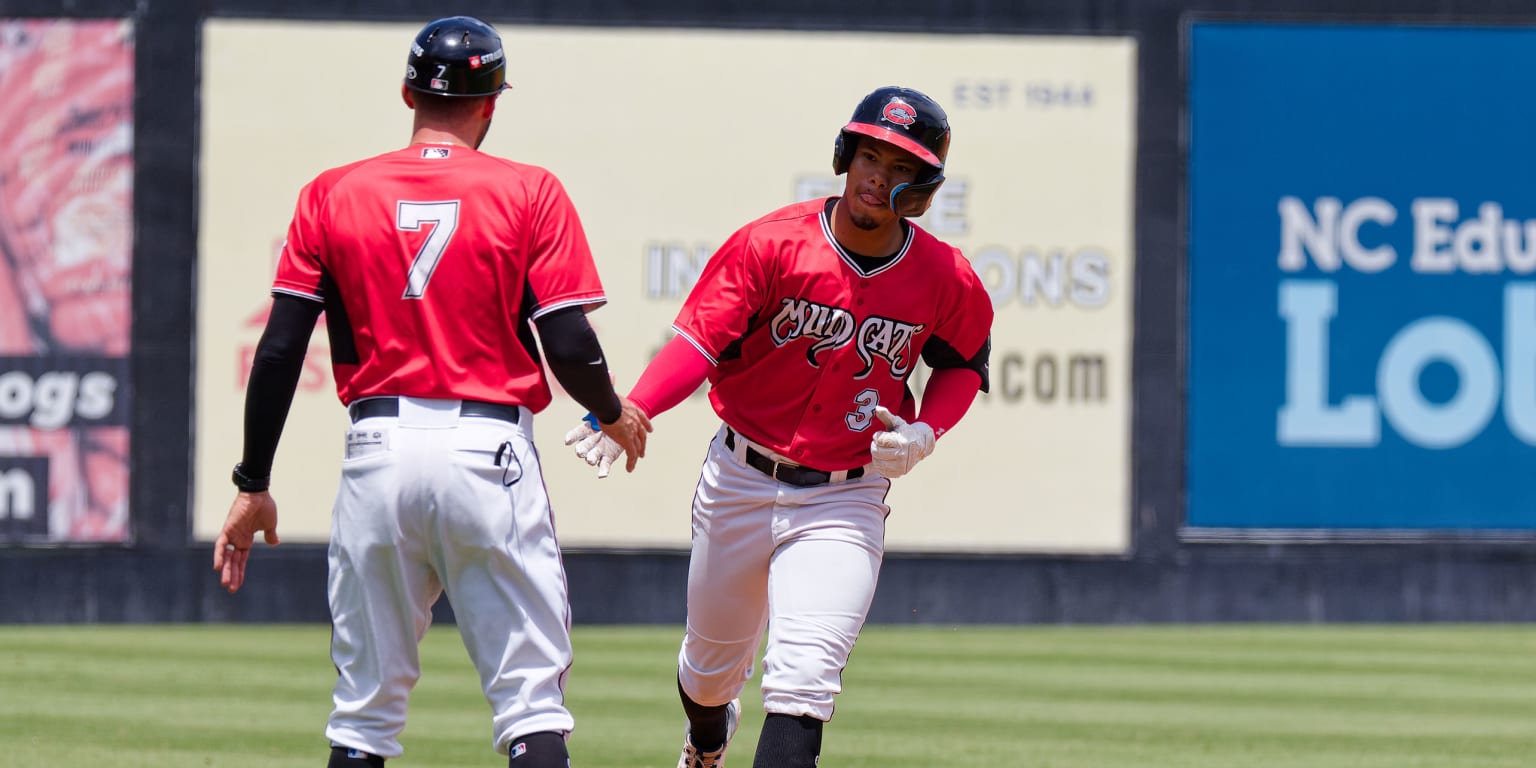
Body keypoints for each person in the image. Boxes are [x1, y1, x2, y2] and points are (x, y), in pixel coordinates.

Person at [211, 16, 652, 768]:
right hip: (489, 450)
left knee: (363, 717)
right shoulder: (530, 190)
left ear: (408, 93)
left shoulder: (332, 192)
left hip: (377, 450)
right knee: (531, 706)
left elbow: (280, 349)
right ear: (492, 103)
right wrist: (612, 413)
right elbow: (569, 344)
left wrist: (253, 481)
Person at [564, 85, 993, 768]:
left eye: (899, 166)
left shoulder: (944, 276)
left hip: (845, 497)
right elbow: (699, 344)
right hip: (739, 477)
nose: (877, 175)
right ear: (845, 155)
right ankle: (708, 738)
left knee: (803, 680)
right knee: (708, 674)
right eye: (869, 156)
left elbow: (964, 363)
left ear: (922, 187)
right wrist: (635, 407)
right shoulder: (772, 243)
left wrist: (926, 432)